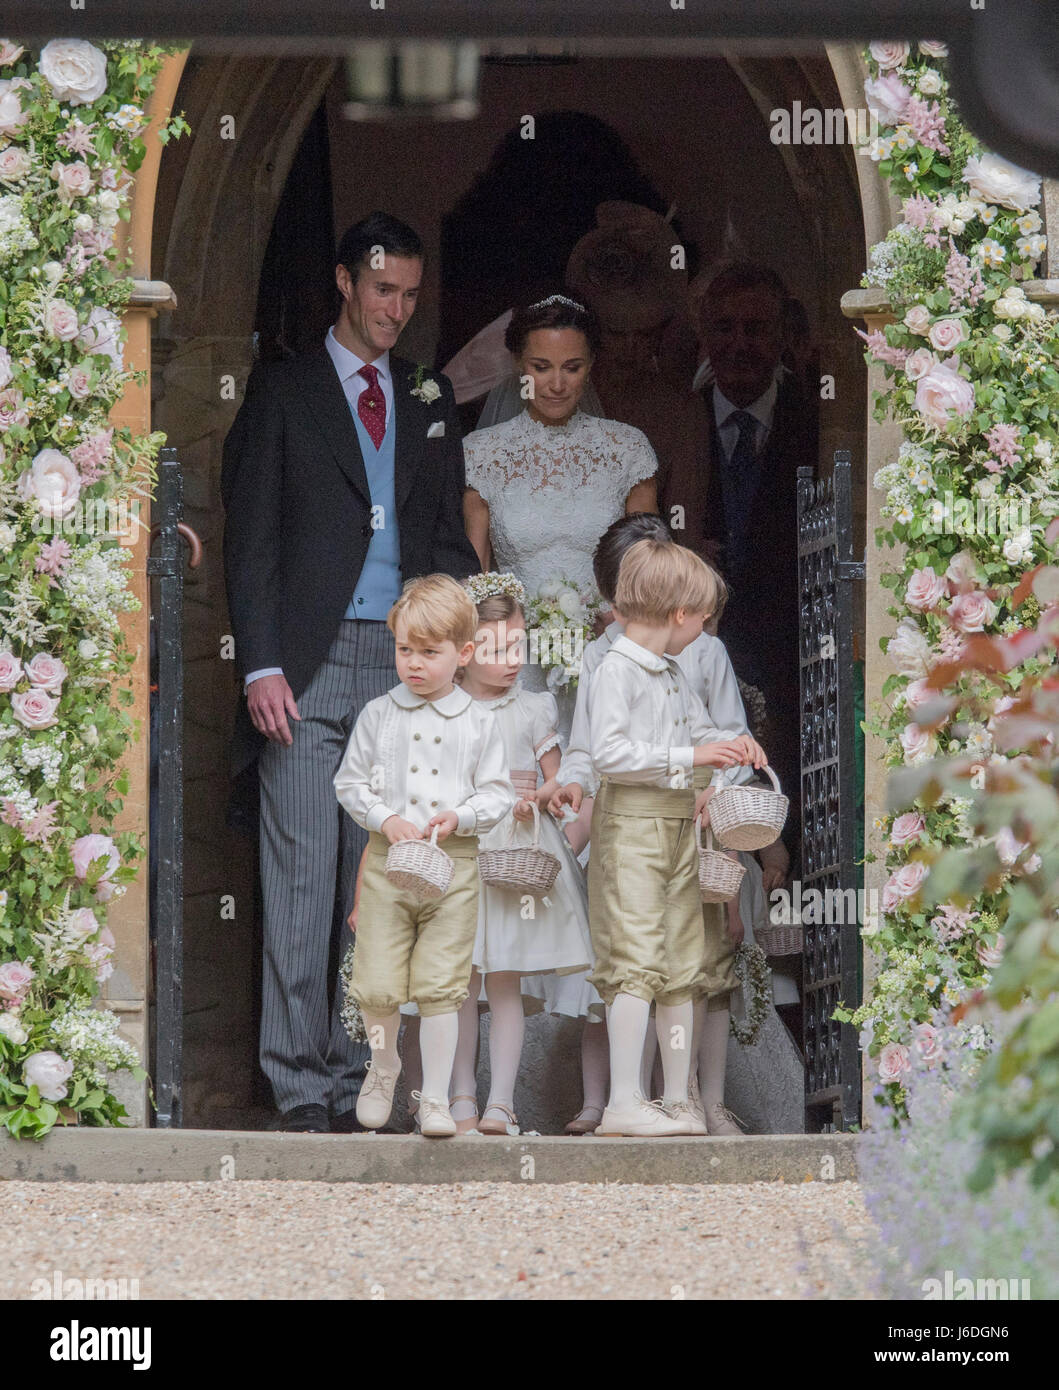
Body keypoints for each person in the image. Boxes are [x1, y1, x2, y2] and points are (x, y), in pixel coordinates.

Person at [221, 212, 481, 1134]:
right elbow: (249, 541)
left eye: (410, 295)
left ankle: (353, 1079)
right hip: (304, 668)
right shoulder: (283, 391)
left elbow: (445, 538)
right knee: (300, 884)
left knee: (373, 890)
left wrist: (458, 648)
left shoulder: (427, 393)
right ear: (343, 281)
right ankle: (298, 1089)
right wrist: (260, 665)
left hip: (404, 668)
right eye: (381, 291)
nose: (395, 311)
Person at [582, 537, 766, 1137]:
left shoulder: (671, 672)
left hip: (679, 828)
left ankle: (675, 1099)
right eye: (703, 615)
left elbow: (701, 730)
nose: (707, 626)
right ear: (680, 614)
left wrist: (731, 749)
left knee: (683, 956)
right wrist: (691, 755)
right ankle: (623, 1102)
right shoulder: (616, 670)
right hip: (632, 829)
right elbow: (609, 753)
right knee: (635, 955)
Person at [333, 576, 514, 1138]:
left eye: (429, 653)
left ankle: (434, 1096)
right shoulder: (378, 713)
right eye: (404, 649)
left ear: (463, 654)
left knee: (442, 986)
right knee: (379, 979)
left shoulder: (481, 723)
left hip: (452, 869)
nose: (413, 663)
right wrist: (386, 818)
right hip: (390, 865)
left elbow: (499, 793)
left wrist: (459, 816)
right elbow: (350, 782)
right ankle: (383, 1067)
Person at [661, 260, 816, 870]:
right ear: (704, 335)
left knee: (791, 806)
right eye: (724, 328)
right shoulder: (680, 418)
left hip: (794, 650)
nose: (740, 344)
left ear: (781, 334)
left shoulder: (819, 415)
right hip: (697, 652)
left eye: (756, 328)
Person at [461, 295, 658, 738]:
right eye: (541, 366)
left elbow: (649, 569)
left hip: (609, 652)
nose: (556, 383)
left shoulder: (626, 450)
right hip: (513, 659)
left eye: (572, 367)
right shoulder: (482, 454)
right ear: (518, 366)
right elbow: (476, 573)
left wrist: (616, 622)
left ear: (591, 367)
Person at [444, 573, 593, 1135]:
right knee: (460, 979)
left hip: (517, 851)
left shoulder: (534, 709)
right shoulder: (447, 710)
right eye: (494, 648)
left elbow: (558, 788)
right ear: (463, 650)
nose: (510, 661)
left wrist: (549, 799)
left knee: (504, 977)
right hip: (464, 849)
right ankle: (459, 1096)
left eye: (517, 647)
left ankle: (500, 1102)